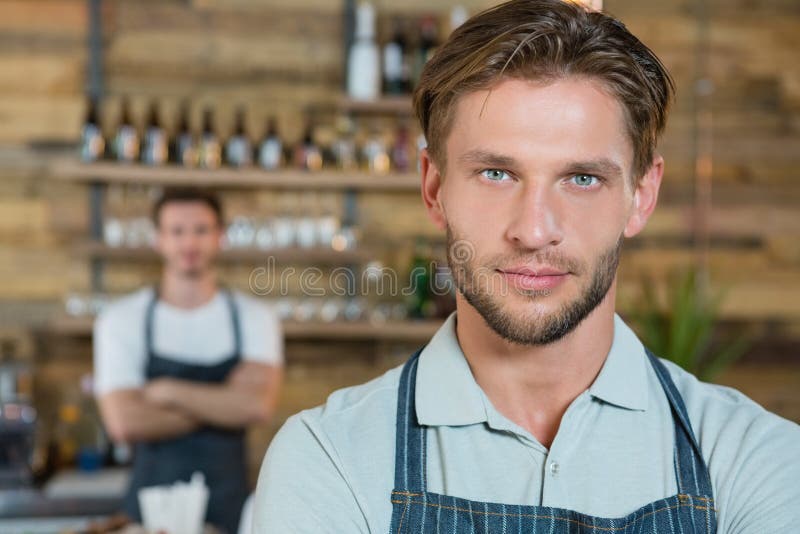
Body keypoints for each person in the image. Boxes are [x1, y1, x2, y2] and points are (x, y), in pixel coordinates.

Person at [254, 0, 800, 532]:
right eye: (496, 173)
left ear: (641, 195)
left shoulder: (757, 460)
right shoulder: (329, 460)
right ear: (434, 187)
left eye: (582, 178)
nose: (534, 230)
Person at [94, 187, 283, 534]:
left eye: (201, 230)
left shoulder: (255, 317)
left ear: (220, 237)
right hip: (147, 516)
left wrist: (165, 391)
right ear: (158, 240)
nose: (189, 243)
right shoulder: (121, 320)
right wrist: (223, 402)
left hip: (231, 512)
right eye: (177, 231)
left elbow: (256, 407)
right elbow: (123, 422)